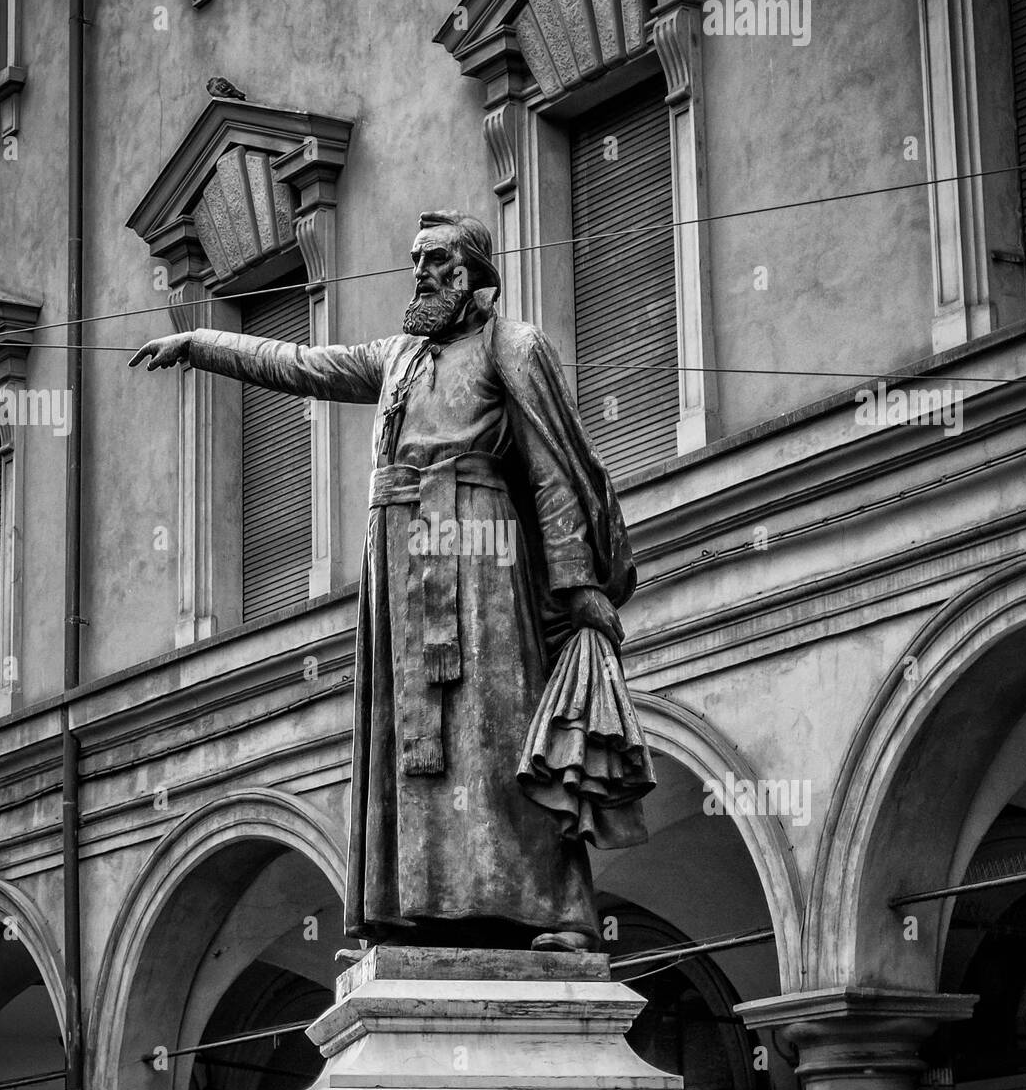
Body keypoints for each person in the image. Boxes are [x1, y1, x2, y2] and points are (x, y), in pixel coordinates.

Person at [132, 210, 646, 951]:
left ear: (471, 272)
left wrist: (577, 585)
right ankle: (411, 913)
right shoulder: (398, 355)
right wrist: (201, 343)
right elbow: (301, 364)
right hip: (400, 564)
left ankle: (554, 911)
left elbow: (552, 474)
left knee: (494, 733)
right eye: (415, 260)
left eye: (435, 260)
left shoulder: (513, 346)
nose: (420, 274)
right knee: (408, 744)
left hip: (482, 556)